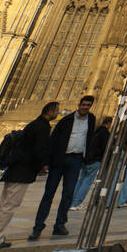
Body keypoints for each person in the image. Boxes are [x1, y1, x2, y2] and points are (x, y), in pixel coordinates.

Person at [0, 101, 55, 250]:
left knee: (4, 206)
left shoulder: (34, 124)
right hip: (22, 171)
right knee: (9, 206)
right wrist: (43, 164)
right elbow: (38, 150)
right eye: (56, 111)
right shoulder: (42, 127)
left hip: (15, 170)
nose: (57, 114)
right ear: (49, 111)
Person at [31, 95, 94, 239]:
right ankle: (38, 226)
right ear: (79, 105)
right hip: (60, 160)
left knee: (68, 194)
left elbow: (89, 138)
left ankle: (60, 224)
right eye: (83, 105)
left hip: (76, 160)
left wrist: (87, 157)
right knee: (49, 194)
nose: (85, 107)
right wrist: (46, 162)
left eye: (88, 105)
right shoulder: (66, 120)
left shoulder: (91, 119)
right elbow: (53, 141)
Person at [71, 115, 111, 211]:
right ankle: (76, 203)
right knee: (87, 182)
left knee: (81, 180)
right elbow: (105, 147)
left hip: (87, 159)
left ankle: (72, 201)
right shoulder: (105, 133)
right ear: (109, 123)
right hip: (95, 160)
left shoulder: (95, 131)